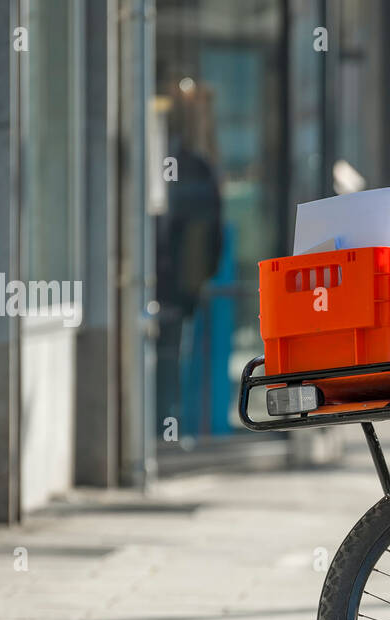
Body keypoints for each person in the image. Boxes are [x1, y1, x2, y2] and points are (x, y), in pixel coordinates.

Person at [155, 77, 224, 436]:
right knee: (167, 364)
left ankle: (165, 431)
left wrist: (196, 281)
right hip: (166, 282)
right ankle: (163, 431)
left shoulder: (193, 166)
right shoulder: (186, 164)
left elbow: (209, 231)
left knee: (170, 365)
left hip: (175, 284)